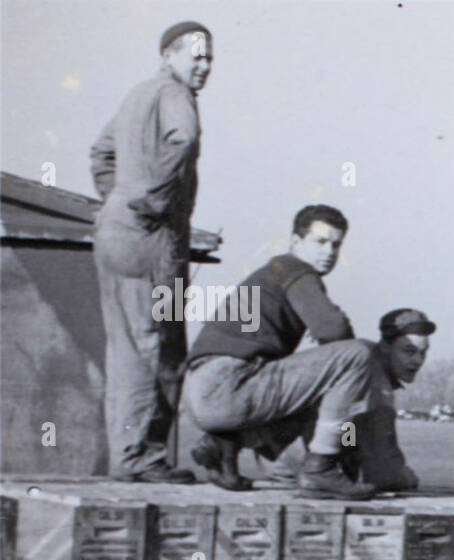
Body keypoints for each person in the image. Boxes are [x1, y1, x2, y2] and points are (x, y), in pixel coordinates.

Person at [182, 204, 375, 500]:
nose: (329, 252)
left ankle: (224, 447)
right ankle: (321, 467)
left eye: (336, 244)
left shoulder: (273, 272)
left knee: (314, 391)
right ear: (296, 242)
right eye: (320, 242)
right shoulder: (295, 269)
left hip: (203, 391)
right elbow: (334, 331)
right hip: (229, 385)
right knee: (358, 354)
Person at [89, 20, 213, 482]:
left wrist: (117, 200)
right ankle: (141, 458)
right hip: (153, 236)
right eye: (195, 56)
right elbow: (184, 139)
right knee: (153, 344)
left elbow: (101, 153)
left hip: (117, 229)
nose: (203, 67)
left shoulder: (136, 95)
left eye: (209, 59)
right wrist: (155, 199)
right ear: (168, 55)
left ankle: (130, 454)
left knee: (127, 346)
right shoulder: (176, 96)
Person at [256, 308, 435, 491]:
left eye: (423, 352)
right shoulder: (374, 379)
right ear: (386, 346)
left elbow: (349, 426)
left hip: (283, 458)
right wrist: (407, 477)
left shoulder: (364, 361)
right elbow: (385, 473)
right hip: (298, 465)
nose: (417, 361)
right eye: (409, 351)